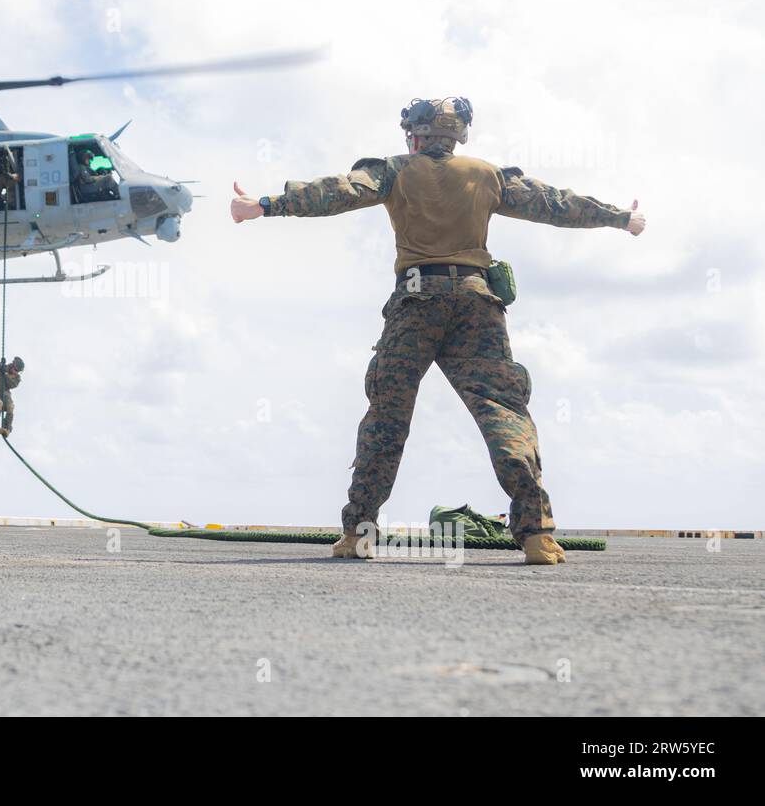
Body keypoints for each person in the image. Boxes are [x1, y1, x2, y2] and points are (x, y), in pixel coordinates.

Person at [230, 97, 646, 566]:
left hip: (415, 302)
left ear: (416, 134)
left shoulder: (393, 170)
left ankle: (359, 533)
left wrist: (263, 205)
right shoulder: (489, 176)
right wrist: (619, 218)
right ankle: (537, 536)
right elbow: (555, 204)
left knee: (386, 419)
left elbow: (337, 192)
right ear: (458, 135)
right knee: (503, 414)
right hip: (478, 305)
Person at [0, 356, 25, 436]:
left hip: (5, 396)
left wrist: (5, 374)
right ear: (12, 365)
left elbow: (11, 384)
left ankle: (7, 428)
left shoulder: (17, 378)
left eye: (17, 371)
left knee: (11, 406)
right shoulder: (3, 367)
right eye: (15, 369)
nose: (15, 372)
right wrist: (0, 365)